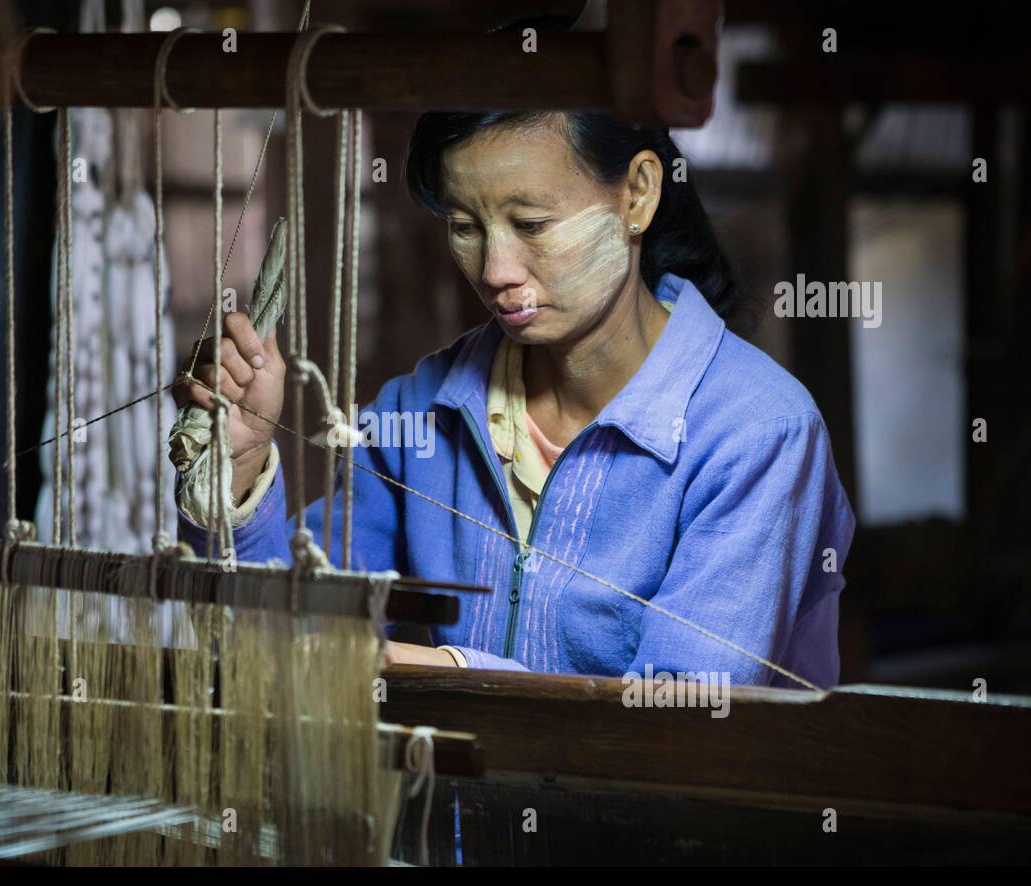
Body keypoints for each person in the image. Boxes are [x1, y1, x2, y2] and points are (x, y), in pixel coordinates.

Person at [171, 105, 854, 687]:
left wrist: (444, 670)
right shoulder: (421, 413)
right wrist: (241, 464)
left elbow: (677, 724)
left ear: (638, 194)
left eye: (530, 224)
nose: (495, 271)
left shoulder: (756, 433)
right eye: (465, 226)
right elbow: (275, 644)